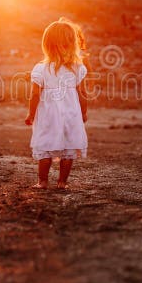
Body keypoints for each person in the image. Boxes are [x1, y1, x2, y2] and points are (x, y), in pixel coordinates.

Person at [25, 21, 88, 189]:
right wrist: (83, 113)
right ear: (73, 44)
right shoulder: (77, 68)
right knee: (69, 148)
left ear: (46, 44)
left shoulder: (40, 69)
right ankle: (62, 182)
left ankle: (43, 181)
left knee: (45, 145)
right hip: (71, 114)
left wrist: (31, 114)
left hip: (48, 115)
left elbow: (35, 94)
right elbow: (83, 93)